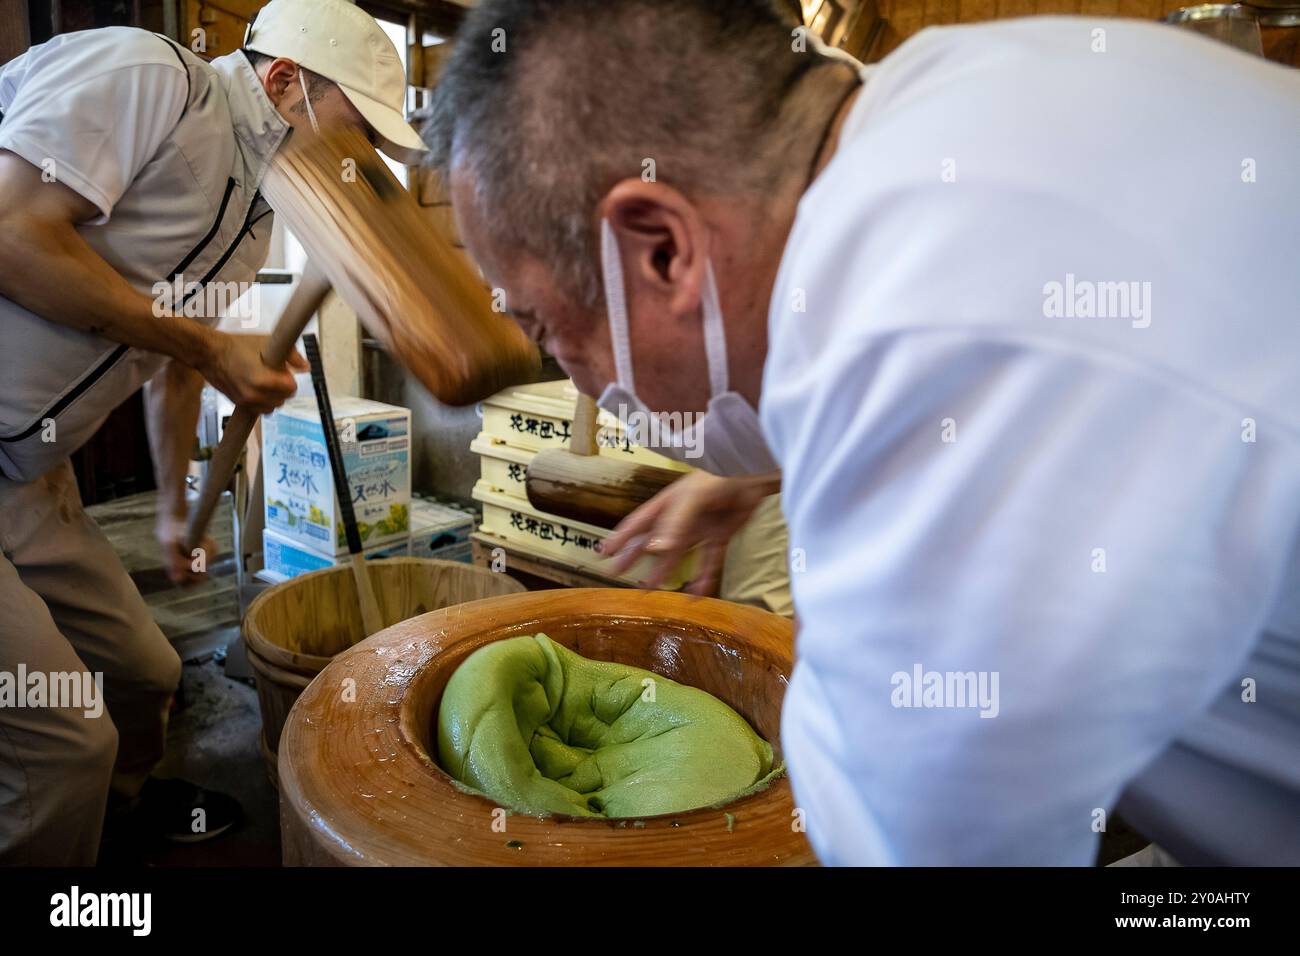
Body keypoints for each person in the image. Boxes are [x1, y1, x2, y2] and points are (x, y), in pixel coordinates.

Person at [424, 0, 1300, 864]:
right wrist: (761, 466)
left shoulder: (918, 364)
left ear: (661, 251)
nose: (571, 371)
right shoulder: (957, 89)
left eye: (547, 328)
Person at [0, 0, 426, 864]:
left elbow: (176, 362)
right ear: (282, 82)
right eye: (353, 133)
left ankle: (111, 816)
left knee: (145, 675)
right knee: (63, 741)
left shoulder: (253, 209)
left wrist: (170, 507)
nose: (357, 163)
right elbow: (14, 233)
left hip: (32, 471)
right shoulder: (149, 77)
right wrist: (207, 343)